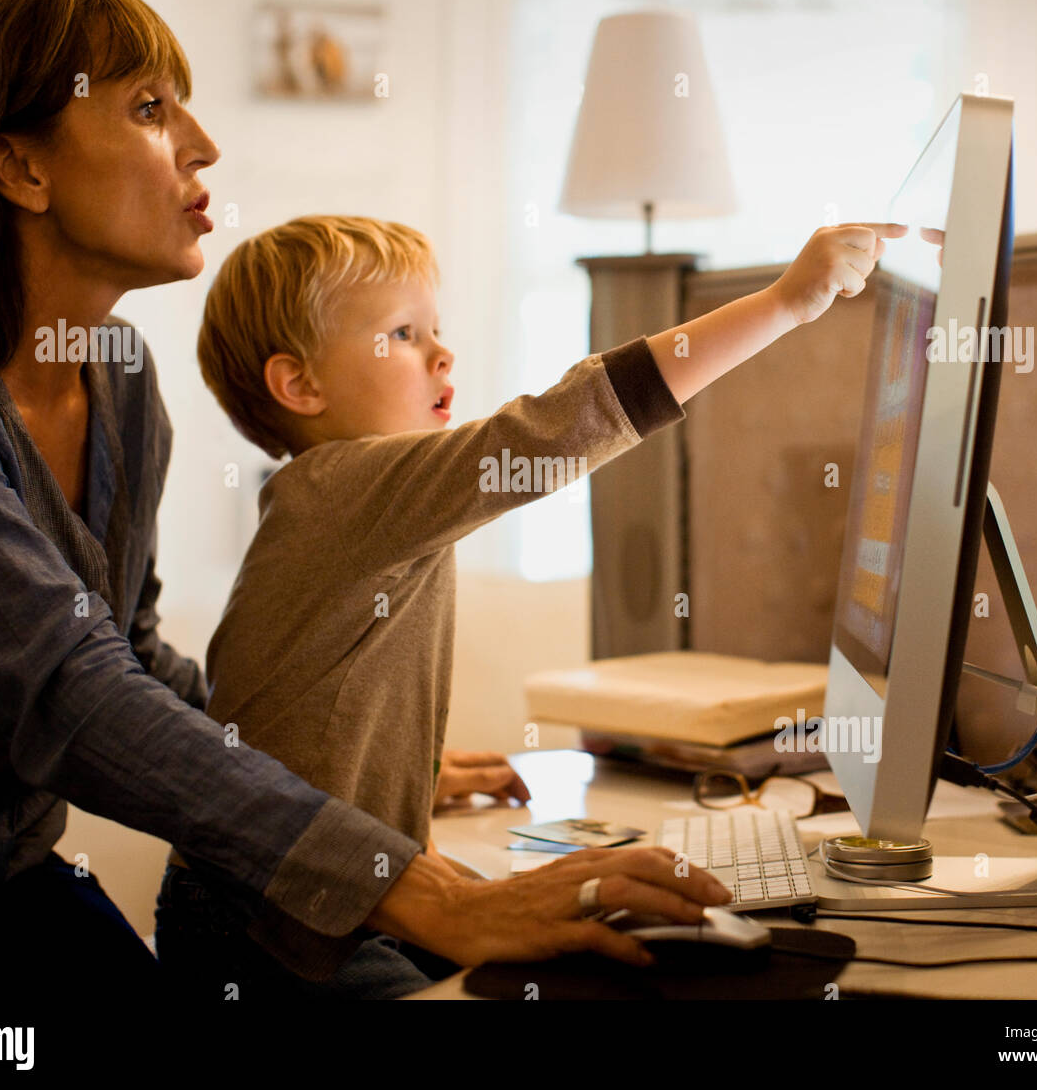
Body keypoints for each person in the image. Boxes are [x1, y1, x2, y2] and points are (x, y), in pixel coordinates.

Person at [0, 0, 747, 1009]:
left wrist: (306, 771)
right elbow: (73, 694)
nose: (202, 146)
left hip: (15, 891)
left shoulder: (113, 377)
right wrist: (417, 887)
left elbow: (130, 651)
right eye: (150, 109)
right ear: (19, 166)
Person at [168, 208, 898, 999]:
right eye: (404, 334)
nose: (444, 351)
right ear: (299, 384)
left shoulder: (348, 501)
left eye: (435, 327)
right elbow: (549, 434)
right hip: (263, 935)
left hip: (289, 900)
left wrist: (391, 773)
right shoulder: (340, 486)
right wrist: (786, 302)